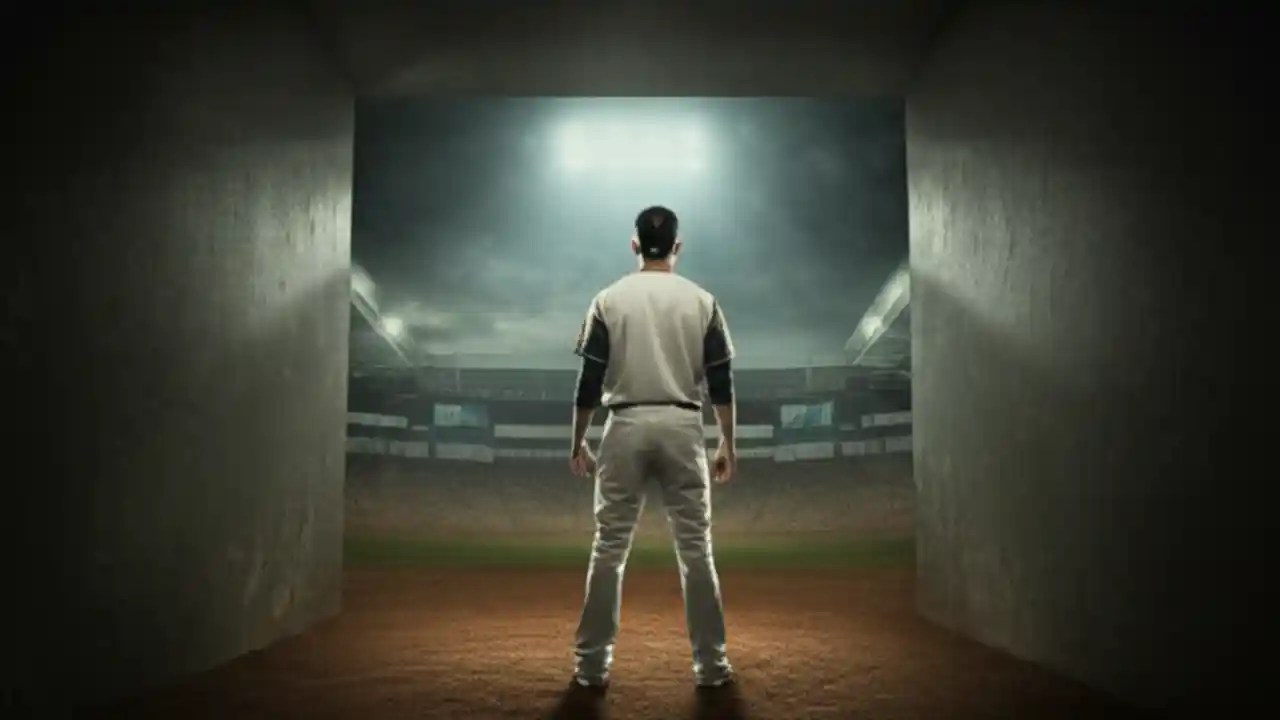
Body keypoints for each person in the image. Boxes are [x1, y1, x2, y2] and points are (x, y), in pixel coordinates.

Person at [555, 205, 743, 718]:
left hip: (625, 424)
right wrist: (727, 442)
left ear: (634, 245)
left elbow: (588, 381)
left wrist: (578, 441)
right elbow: (721, 381)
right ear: (677, 247)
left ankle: (591, 667)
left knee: (608, 549)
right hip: (684, 425)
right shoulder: (703, 301)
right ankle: (711, 666)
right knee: (697, 551)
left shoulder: (607, 299)